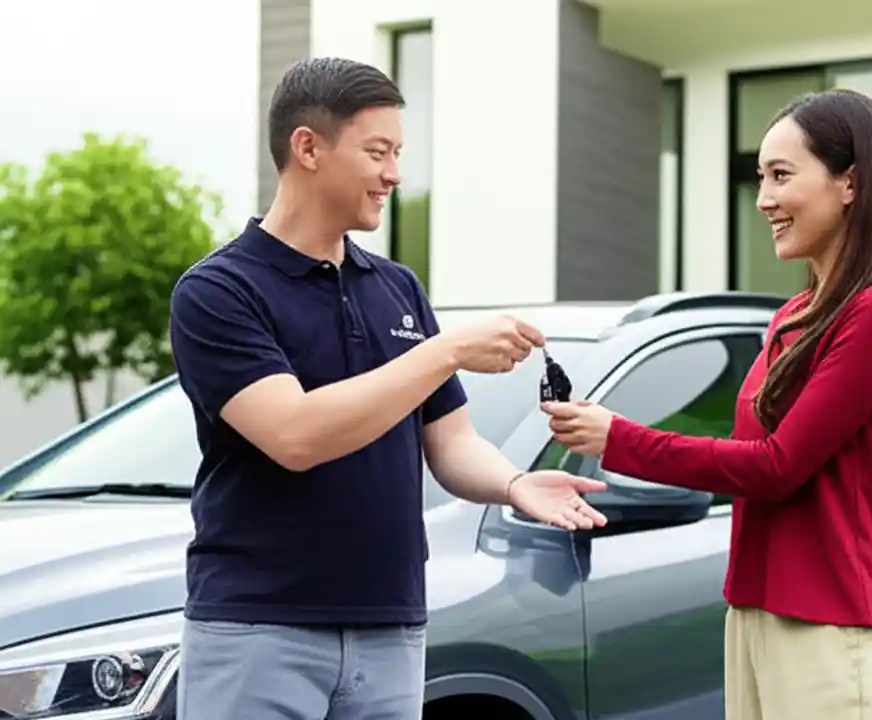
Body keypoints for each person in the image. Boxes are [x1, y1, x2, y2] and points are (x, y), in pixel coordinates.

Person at [168, 57, 607, 720]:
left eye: (399, 153)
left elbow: (451, 440)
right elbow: (295, 434)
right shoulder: (219, 291)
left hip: (390, 629)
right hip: (258, 629)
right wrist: (449, 349)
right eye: (378, 152)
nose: (395, 174)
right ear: (308, 147)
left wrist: (514, 484)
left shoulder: (398, 288)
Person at [541, 88, 872, 720]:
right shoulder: (795, 315)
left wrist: (619, 439)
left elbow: (776, 465)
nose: (763, 199)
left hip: (837, 627)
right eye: (760, 177)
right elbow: (748, 456)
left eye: (782, 176)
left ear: (850, 183)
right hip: (759, 613)